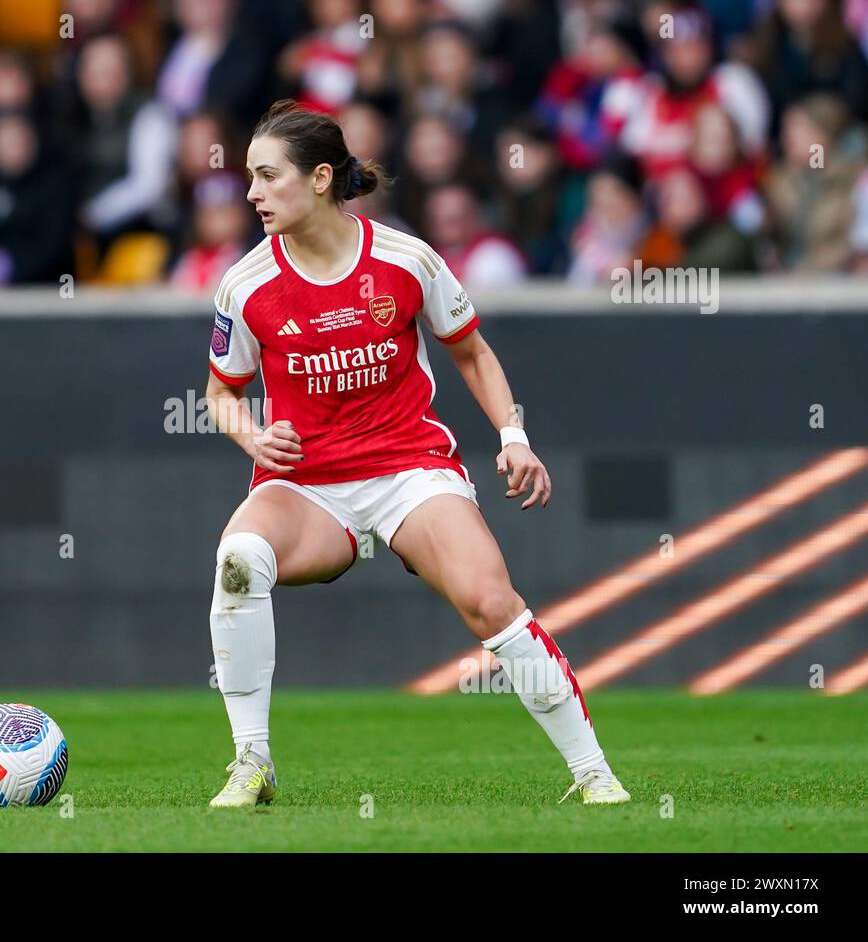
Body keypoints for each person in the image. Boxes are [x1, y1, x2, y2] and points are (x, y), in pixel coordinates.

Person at [203, 100, 630, 808]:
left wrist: (513, 438)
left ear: (318, 180)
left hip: (410, 471)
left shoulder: (405, 259)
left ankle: (594, 775)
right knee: (239, 560)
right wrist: (251, 432)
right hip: (306, 484)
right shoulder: (246, 283)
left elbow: (472, 352)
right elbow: (220, 392)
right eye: (249, 177)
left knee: (491, 602)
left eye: (266, 176)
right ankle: (252, 763)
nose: (250, 193)